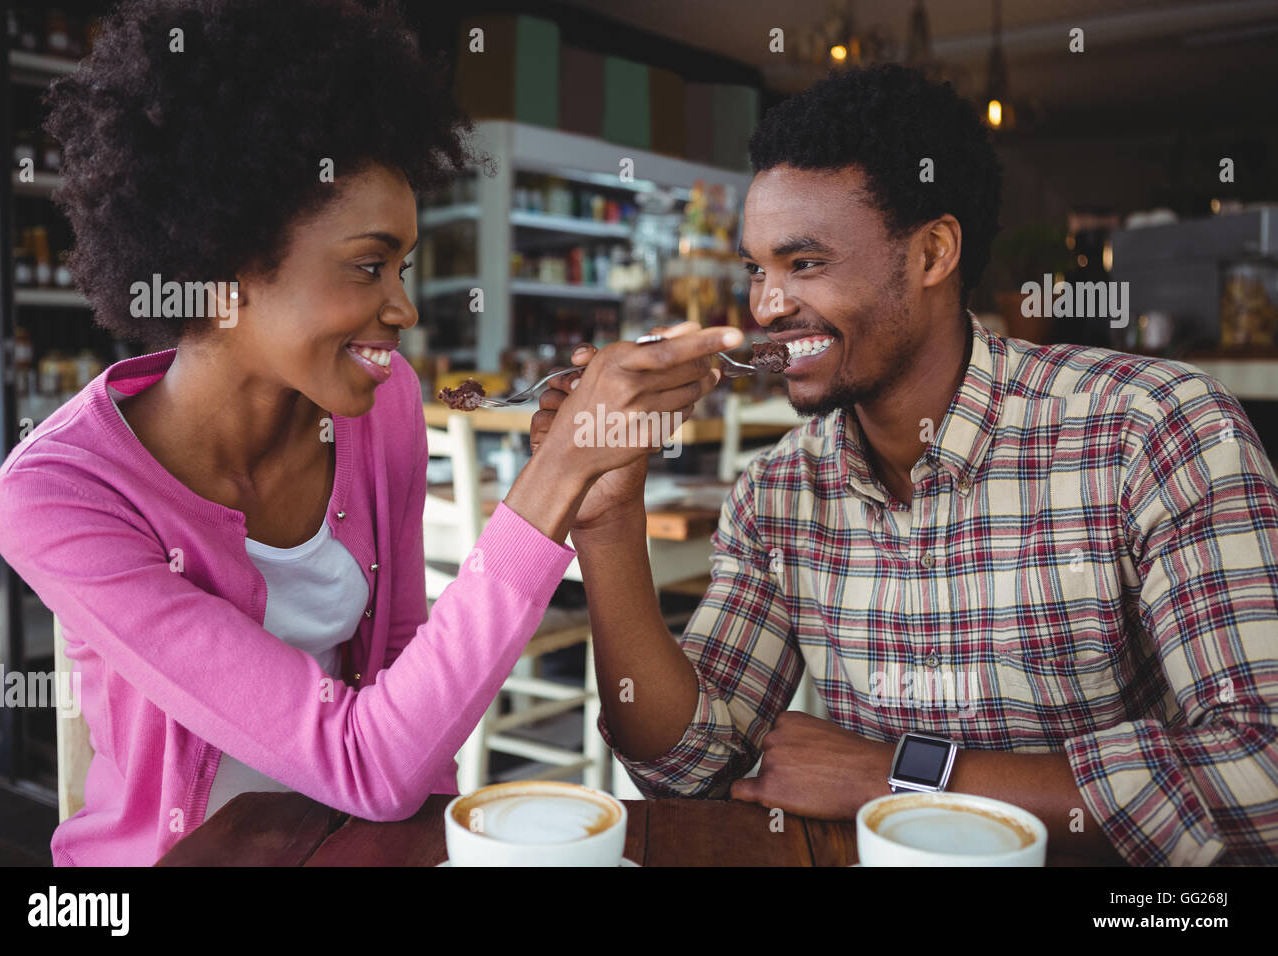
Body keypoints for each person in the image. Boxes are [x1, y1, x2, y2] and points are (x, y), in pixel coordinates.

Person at [0, 0, 737, 866]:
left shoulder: (384, 406)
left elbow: (410, 683)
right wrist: (552, 481)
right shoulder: (55, 497)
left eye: (405, 268)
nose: (404, 308)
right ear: (225, 263)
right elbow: (365, 757)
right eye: (369, 265)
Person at [536, 64, 1278, 865]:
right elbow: (688, 767)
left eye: (805, 263)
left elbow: (1260, 770)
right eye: (757, 268)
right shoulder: (779, 491)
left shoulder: (1153, 430)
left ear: (931, 253)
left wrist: (903, 777)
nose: (766, 307)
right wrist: (607, 524)